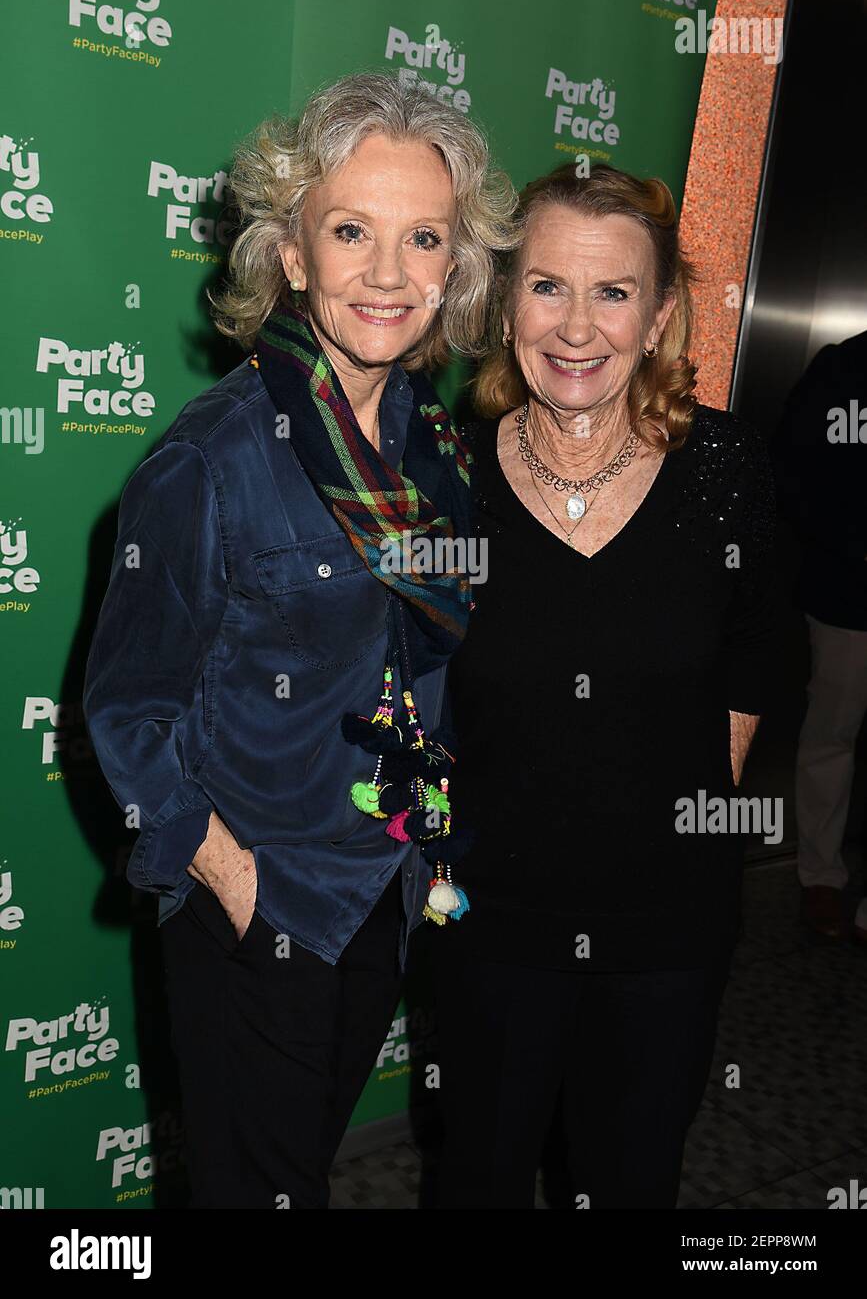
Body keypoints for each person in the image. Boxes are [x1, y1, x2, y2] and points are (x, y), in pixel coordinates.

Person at [83, 71, 515, 1209]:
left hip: (384, 878)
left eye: (423, 238)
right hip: (261, 897)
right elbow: (128, 707)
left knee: (297, 1169)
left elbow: (427, 657)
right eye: (350, 231)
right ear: (290, 255)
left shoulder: (435, 449)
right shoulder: (212, 457)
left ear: (455, 267)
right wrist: (231, 875)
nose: (387, 273)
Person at [431, 161, 778, 1209]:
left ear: (661, 313)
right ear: (502, 301)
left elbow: (752, 675)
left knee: (628, 1185)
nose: (578, 328)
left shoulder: (725, 472)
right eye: (548, 286)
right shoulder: (443, 475)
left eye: (614, 293)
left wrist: (651, 839)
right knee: (474, 1183)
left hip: (666, 933)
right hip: (486, 926)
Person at [772, 332, 867, 945]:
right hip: (849, 592)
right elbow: (793, 470)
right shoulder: (845, 369)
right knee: (833, 732)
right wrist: (852, 545)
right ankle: (821, 878)